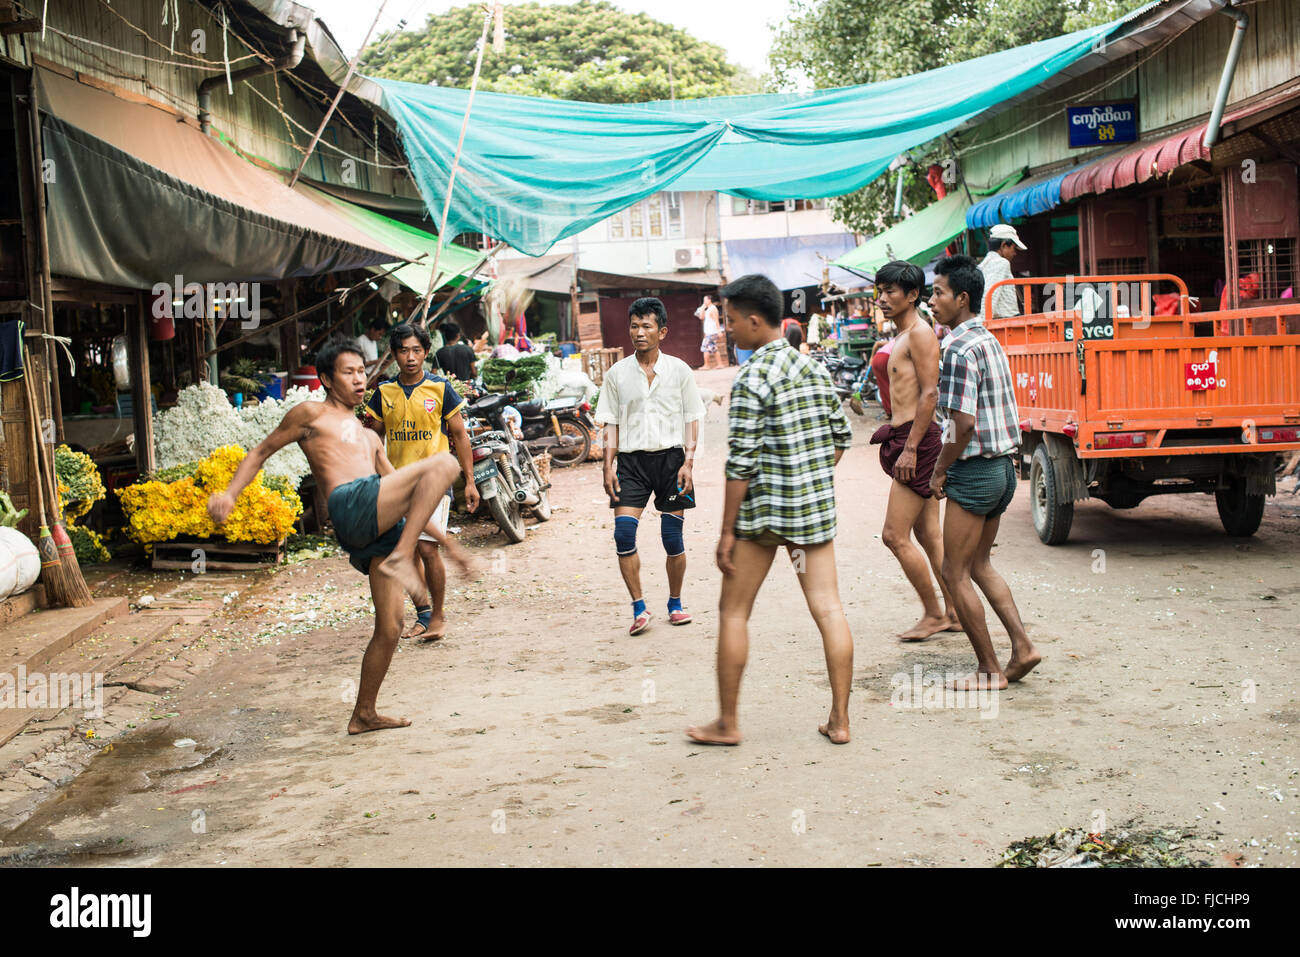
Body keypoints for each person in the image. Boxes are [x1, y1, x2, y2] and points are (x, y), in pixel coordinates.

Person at [207, 338, 475, 734]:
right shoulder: (310, 414)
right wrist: (230, 492)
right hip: (349, 504)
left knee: (390, 627)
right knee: (445, 463)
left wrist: (452, 547)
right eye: (348, 372)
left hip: (376, 525)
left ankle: (363, 713)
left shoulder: (369, 436)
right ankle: (404, 556)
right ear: (326, 380)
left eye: (362, 371)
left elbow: (407, 500)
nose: (359, 379)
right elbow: (262, 451)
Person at [687, 274, 854, 747]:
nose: (728, 331)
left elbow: (740, 465)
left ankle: (727, 723)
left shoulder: (752, 378)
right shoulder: (815, 370)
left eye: (733, 321)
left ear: (756, 321)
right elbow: (841, 439)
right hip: (812, 515)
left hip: (761, 518)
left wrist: (725, 534)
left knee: (734, 612)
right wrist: (808, 481)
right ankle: (840, 721)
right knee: (829, 608)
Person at [928, 255, 1041, 690]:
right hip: (1004, 470)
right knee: (979, 564)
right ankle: (1023, 647)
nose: (932, 300)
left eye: (938, 292)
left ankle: (989, 669)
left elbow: (961, 423)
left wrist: (939, 471)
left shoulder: (957, 348)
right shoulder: (987, 340)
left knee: (952, 571)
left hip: (975, 471)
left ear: (962, 298)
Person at [597, 297, 705, 635]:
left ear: (662, 331)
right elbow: (611, 423)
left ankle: (675, 602)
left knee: (672, 537)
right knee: (623, 533)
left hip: (672, 461)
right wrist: (607, 465)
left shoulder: (680, 371)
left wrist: (688, 463)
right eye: (634, 325)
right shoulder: (617, 374)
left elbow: (692, 418)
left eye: (646, 326)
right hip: (631, 463)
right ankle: (639, 608)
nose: (639, 332)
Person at [366, 324, 480, 640]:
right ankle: (424, 613)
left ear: (426, 353)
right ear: (394, 354)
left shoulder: (441, 388)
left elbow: (459, 435)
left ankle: (440, 616)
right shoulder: (383, 393)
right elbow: (374, 436)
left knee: (428, 550)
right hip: (396, 483)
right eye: (404, 350)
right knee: (409, 552)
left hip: (434, 482)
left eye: (416, 350)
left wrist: (469, 481)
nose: (411, 357)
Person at [866, 261, 960, 642]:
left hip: (916, 442)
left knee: (894, 535)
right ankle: (953, 611)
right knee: (928, 535)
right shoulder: (903, 334)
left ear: (912, 295)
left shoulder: (920, 334)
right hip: (909, 438)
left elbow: (929, 393)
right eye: (880, 291)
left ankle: (934, 613)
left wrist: (911, 448)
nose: (883, 298)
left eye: (891, 291)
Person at [978, 224, 1027, 319]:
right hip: (1005, 319)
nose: (1015, 253)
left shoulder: (984, 264)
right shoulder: (1001, 262)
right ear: (1004, 245)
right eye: (1013, 248)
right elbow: (990, 294)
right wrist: (983, 323)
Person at [695, 294, 724, 370]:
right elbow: (701, 317)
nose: (704, 301)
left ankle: (706, 365)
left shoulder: (713, 308)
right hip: (709, 332)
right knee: (714, 348)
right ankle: (720, 364)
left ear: (709, 300)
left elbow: (716, 320)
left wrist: (719, 331)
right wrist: (703, 308)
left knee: (704, 347)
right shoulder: (707, 309)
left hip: (712, 332)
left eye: (705, 300)